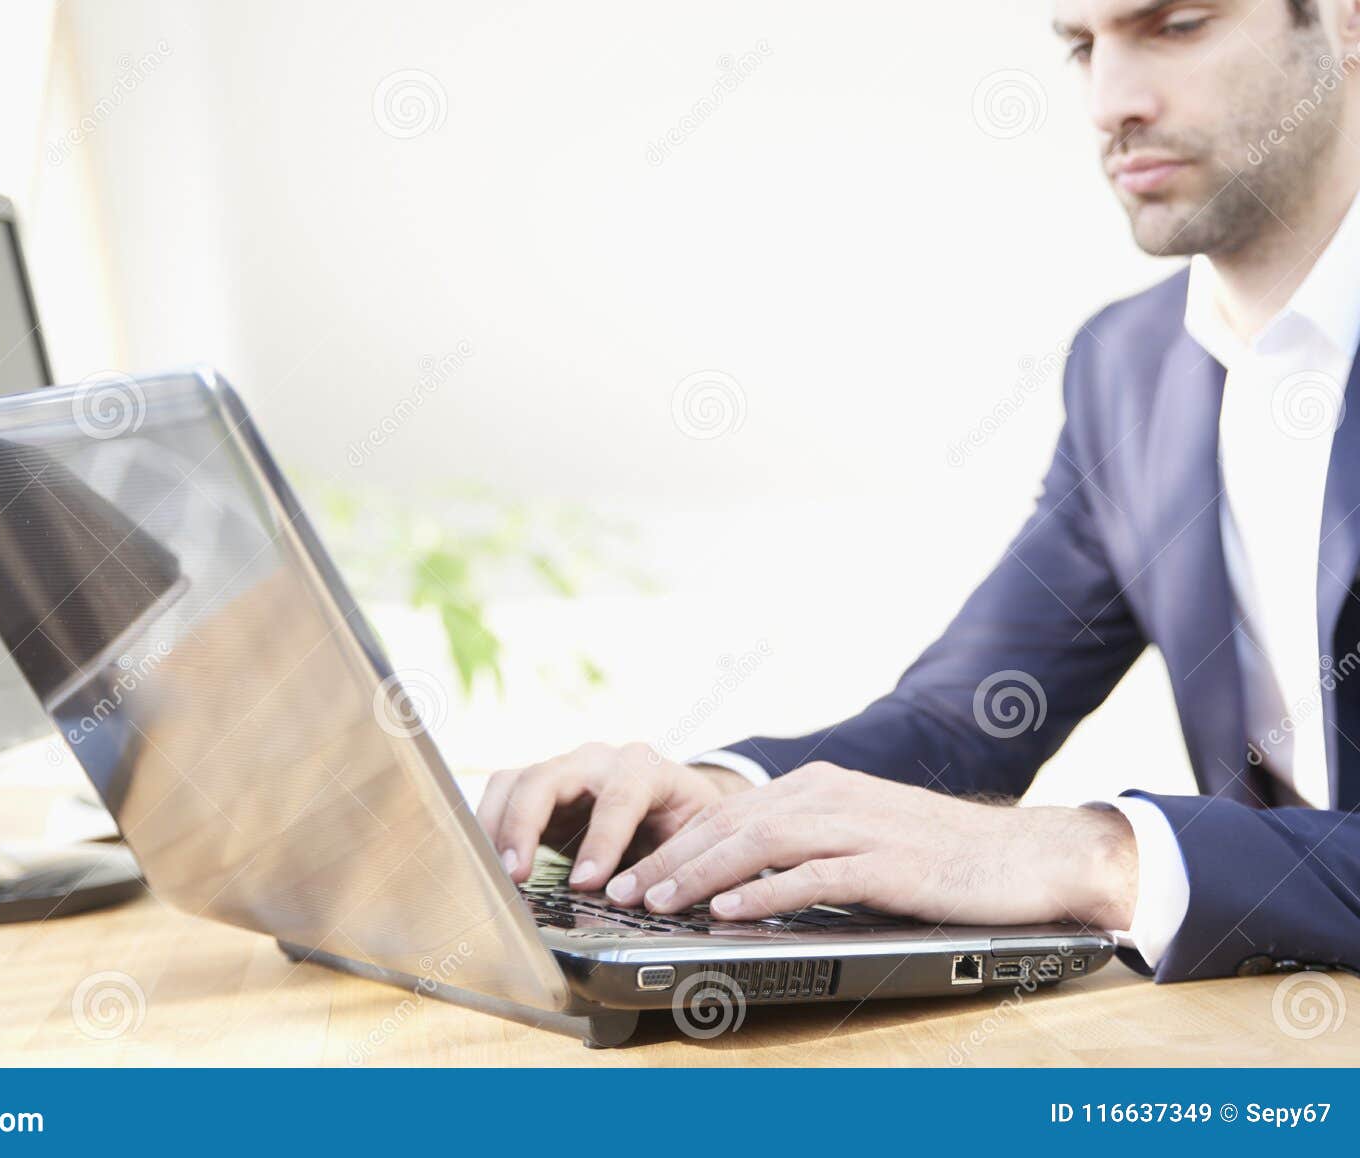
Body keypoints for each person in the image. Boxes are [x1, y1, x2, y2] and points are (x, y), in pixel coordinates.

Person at [477, 0, 1360, 983]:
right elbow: (965, 720)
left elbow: (1086, 853)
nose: (1111, 101)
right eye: (1080, 47)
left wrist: (1098, 855)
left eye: (1177, 24)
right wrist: (715, 798)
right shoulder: (1127, 369)